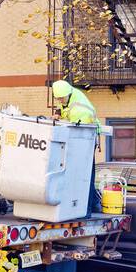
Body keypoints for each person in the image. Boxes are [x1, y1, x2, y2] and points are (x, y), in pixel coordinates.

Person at [50, 79, 100, 212]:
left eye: (61, 98)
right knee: (85, 174)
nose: (60, 101)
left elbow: (76, 131)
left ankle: (86, 209)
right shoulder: (69, 97)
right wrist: (58, 115)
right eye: (58, 98)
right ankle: (94, 205)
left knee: (84, 175)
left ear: (68, 94)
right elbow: (64, 111)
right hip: (81, 140)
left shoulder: (79, 109)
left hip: (84, 141)